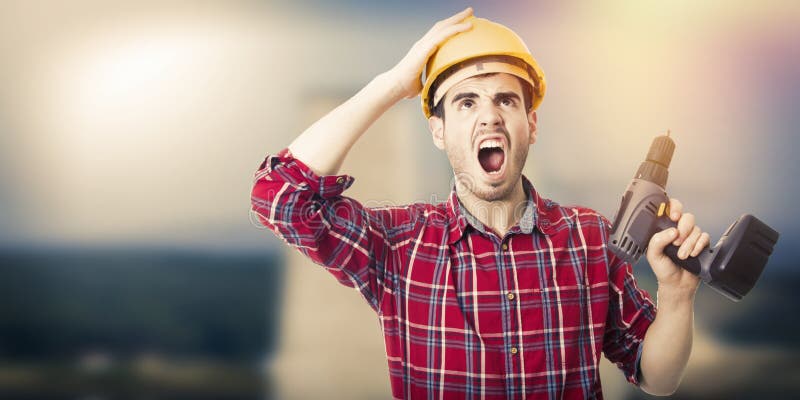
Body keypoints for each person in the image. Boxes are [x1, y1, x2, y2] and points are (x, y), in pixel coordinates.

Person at [251, 8, 710, 399]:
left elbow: (657, 376)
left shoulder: (589, 238)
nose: (489, 114)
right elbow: (278, 196)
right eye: (466, 103)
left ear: (530, 124)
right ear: (438, 131)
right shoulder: (399, 245)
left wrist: (677, 293)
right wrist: (394, 84)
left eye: (505, 100)